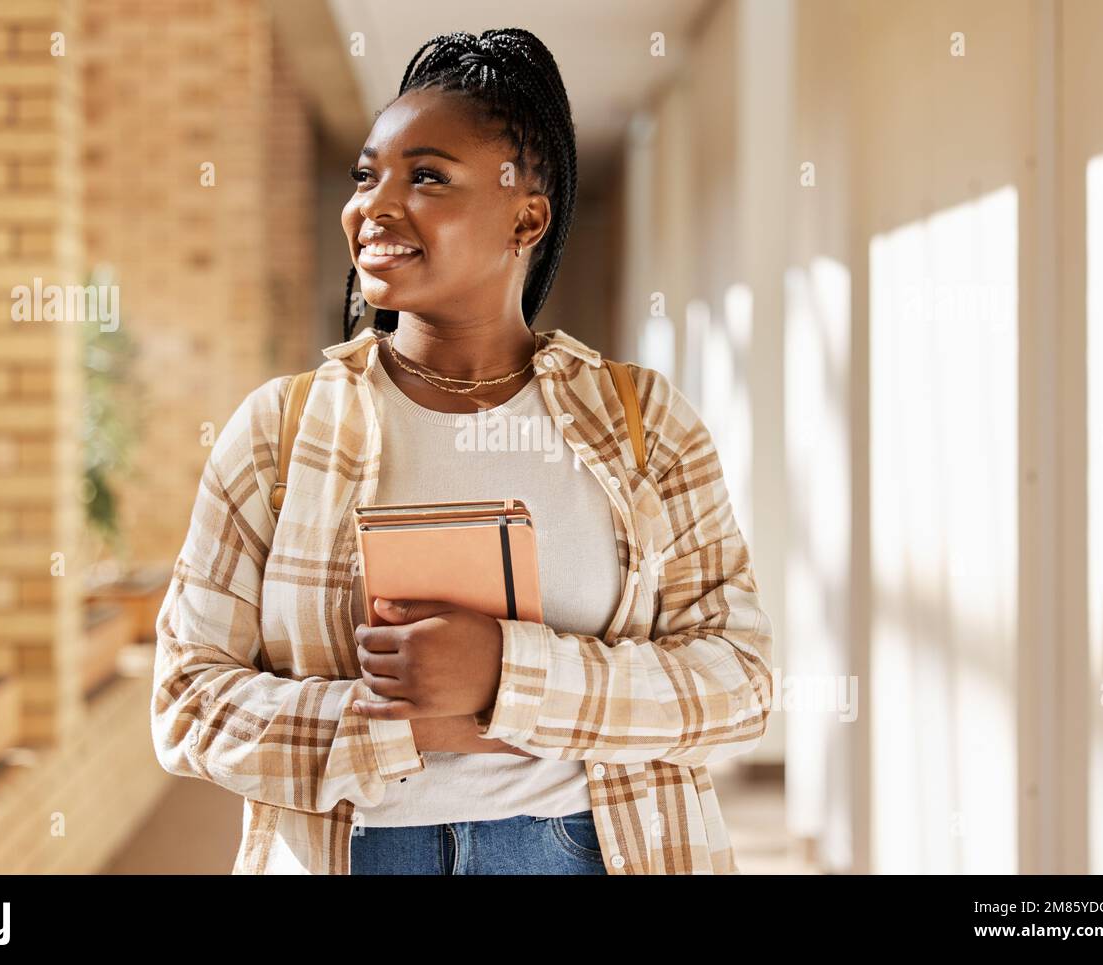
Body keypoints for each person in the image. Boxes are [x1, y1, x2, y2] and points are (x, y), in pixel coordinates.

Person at [150, 27, 774, 875]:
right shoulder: (278, 432)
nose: (374, 204)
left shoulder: (645, 425)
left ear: (526, 216)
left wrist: (507, 674)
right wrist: (388, 723)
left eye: (428, 176)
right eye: (367, 174)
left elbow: (738, 683)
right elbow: (186, 700)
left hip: (584, 850)